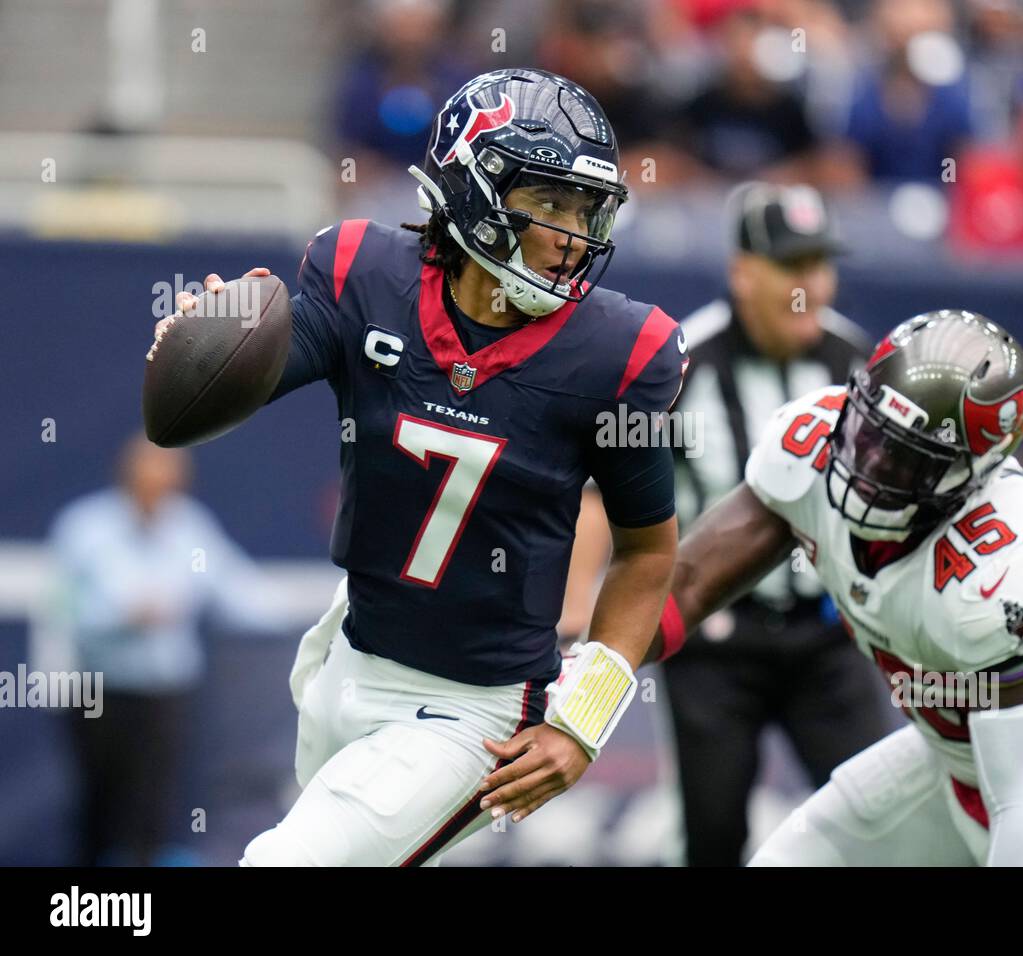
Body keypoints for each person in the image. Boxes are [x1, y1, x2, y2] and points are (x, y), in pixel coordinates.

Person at [149, 69, 687, 866]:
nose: (573, 235)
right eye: (549, 204)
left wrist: (587, 715)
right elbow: (200, 403)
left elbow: (648, 552)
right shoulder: (363, 273)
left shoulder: (619, 352)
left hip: (475, 709)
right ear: (472, 191)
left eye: (585, 210)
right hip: (346, 655)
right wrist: (213, 330)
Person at [645, 310, 1023, 865]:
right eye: (870, 432)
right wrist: (582, 686)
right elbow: (685, 585)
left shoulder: (1005, 574)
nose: (869, 464)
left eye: (904, 462)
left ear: (969, 476)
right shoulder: (813, 442)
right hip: (951, 762)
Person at [658, 182, 888, 865]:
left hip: (827, 641)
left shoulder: (854, 362)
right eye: (793, 266)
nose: (812, 285)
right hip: (713, 644)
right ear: (743, 273)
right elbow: (597, 501)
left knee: (875, 824)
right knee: (715, 833)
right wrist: (584, 629)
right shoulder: (680, 363)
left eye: (821, 264)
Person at [48, 434, 278, 866]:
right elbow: (65, 611)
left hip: (164, 697)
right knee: (95, 810)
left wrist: (314, 616)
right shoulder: (84, 527)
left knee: (149, 813)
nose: (160, 482)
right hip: (95, 693)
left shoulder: (190, 527)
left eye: (169, 474)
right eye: (150, 471)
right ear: (127, 473)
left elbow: (238, 593)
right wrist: (124, 615)